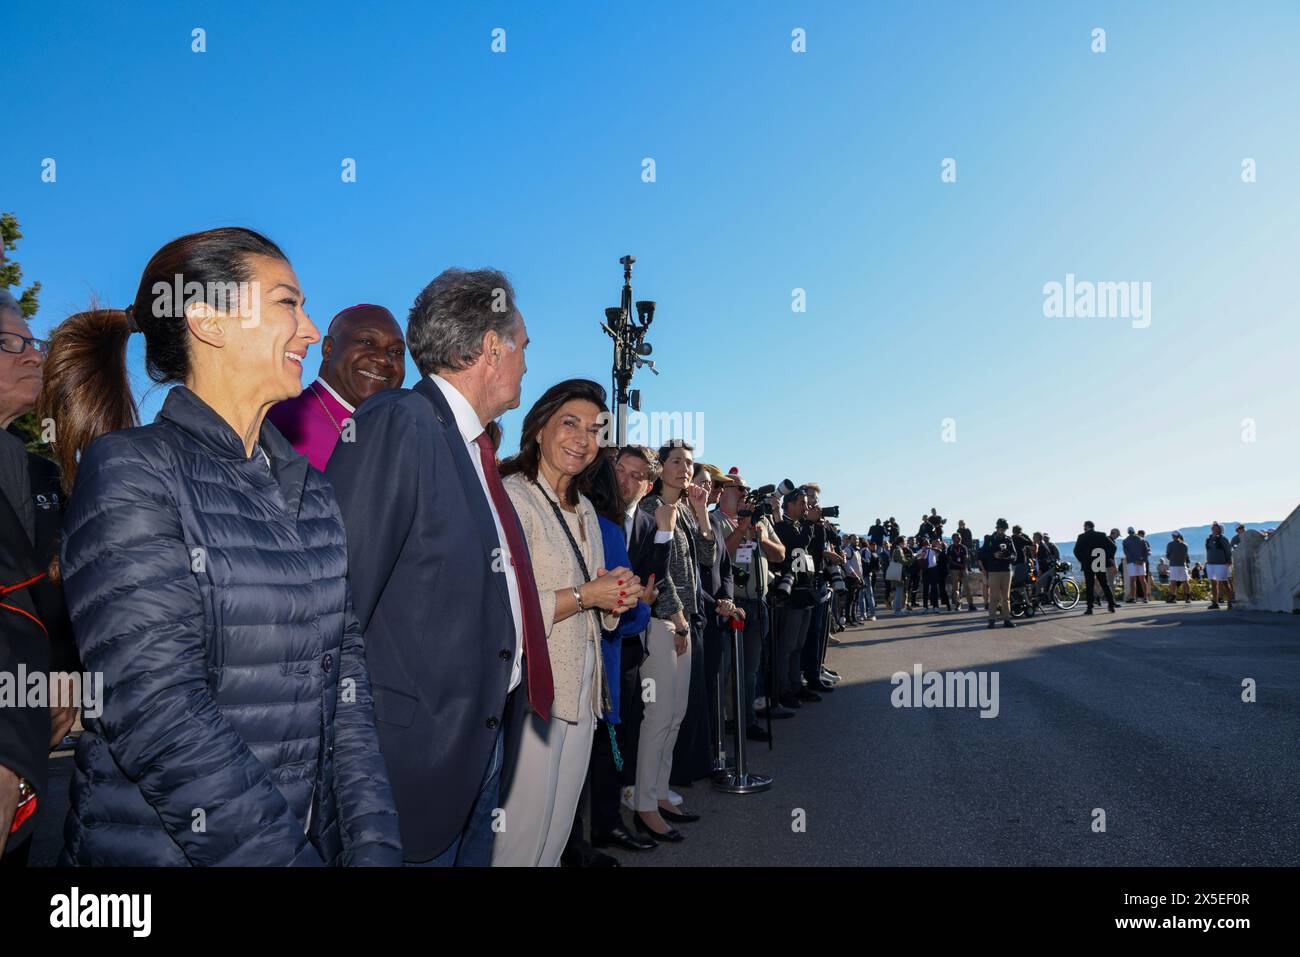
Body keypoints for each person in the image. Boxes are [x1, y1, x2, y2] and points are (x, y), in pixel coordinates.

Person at [43, 227, 401, 865]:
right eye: (288, 303)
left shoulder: (312, 492)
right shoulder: (132, 472)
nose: (311, 330)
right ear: (208, 322)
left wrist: (374, 847)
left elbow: (347, 692)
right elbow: (160, 715)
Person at [327, 266, 550, 866]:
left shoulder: (473, 446)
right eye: (523, 345)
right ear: (489, 348)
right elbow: (338, 599)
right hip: (405, 764)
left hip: (475, 748)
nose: (527, 361)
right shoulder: (400, 421)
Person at [491, 380, 638, 867]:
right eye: (569, 423)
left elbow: (599, 613)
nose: (583, 438)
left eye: (594, 429)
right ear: (538, 429)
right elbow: (506, 605)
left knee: (555, 835)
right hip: (536, 695)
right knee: (520, 839)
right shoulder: (513, 497)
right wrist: (584, 595)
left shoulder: (589, 510)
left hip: (585, 694)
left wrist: (613, 602)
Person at [0, 291, 78, 867]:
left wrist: (70, 677)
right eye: (9, 344)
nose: (33, 358)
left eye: (35, 345)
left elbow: (55, 595)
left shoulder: (43, 474)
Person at [635, 442, 713, 842]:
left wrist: (701, 511)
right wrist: (679, 619)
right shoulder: (649, 509)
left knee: (676, 715)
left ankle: (660, 791)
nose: (685, 468)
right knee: (658, 717)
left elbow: (706, 556)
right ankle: (644, 803)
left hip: (682, 625)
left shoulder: (683, 509)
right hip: (662, 624)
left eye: (690, 463)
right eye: (677, 461)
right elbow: (655, 571)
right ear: (660, 467)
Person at [266, 303, 405, 471]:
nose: (384, 359)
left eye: (397, 351)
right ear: (328, 349)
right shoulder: (276, 418)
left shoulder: (405, 435)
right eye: (367, 342)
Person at [714, 470, 784, 741]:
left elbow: (780, 555)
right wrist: (741, 529)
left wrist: (761, 537)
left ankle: (746, 719)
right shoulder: (715, 521)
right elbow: (721, 557)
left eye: (745, 489)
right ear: (724, 493)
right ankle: (720, 727)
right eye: (738, 489)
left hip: (758, 602)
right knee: (725, 668)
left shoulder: (761, 521)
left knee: (750, 668)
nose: (744, 494)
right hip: (733, 604)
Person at [980, 519, 1018, 628]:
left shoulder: (1008, 539)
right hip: (994, 571)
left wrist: (1008, 556)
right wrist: (994, 555)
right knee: (994, 597)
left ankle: (1007, 619)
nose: (1002, 531)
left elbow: (1015, 556)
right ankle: (992, 620)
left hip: (1006, 570)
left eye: (1004, 529)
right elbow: (982, 553)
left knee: (1006, 597)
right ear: (997, 528)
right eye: (1001, 529)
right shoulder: (990, 539)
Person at [1073, 521, 1117, 614]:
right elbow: (1113, 547)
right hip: (1099, 562)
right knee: (1104, 584)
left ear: (1087, 527)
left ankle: (1090, 608)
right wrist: (1106, 557)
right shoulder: (1101, 535)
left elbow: (1076, 551)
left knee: (1089, 585)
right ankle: (1111, 605)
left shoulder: (1082, 537)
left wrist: (1082, 560)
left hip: (1087, 563)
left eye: (1084, 527)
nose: (1083, 529)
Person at [1204, 523, 1234, 609]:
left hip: (1221, 563)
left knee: (1224, 582)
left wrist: (1229, 562)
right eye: (1213, 527)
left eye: (1216, 527)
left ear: (1220, 529)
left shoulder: (1223, 539)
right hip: (1211, 564)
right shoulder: (1208, 539)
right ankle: (1215, 602)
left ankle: (1230, 602)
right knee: (1213, 583)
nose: (1214, 528)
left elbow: (1228, 551)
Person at [1122, 527, 1148, 603]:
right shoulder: (1142, 539)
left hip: (1131, 562)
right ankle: (1145, 597)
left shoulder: (1125, 541)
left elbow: (1127, 553)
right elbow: (1146, 551)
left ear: (1128, 532)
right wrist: (1143, 560)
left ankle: (1133, 598)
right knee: (1142, 580)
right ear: (1134, 531)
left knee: (1132, 580)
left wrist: (1134, 560)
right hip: (1141, 562)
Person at [947, 533, 971, 611]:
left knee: (967, 586)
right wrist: (959, 565)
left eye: (959, 537)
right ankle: (957, 604)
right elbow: (950, 560)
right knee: (955, 588)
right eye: (956, 538)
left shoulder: (964, 547)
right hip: (954, 569)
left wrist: (962, 568)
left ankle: (970, 604)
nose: (958, 539)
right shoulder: (950, 548)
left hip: (963, 569)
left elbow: (966, 558)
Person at [1165, 531, 1191, 603]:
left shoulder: (1170, 544)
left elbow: (1167, 555)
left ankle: (1173, 597)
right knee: (1185, 581)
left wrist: (1172, 558)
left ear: (1173, 536)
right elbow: (1186, 555)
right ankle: (1188, 597)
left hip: (1174, 565)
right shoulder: (1185, 545)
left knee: (1173, 581)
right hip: (1182, 565)